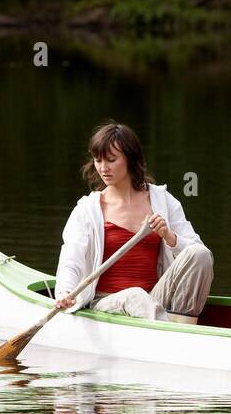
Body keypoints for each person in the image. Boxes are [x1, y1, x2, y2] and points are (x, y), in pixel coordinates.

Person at [54, 121, 213, 325]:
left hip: (155, 299)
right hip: (106, 301)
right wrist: (65, 291)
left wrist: (169, 237)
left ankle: (182, 328)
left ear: (130, 159)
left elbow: (198, 254)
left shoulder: (162, 200)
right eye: (98, 160)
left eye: (111, 160)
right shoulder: (87, 210)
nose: (103, 168)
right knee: (135, 296)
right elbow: (70, 260)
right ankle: (173, 337)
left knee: (200, 255)